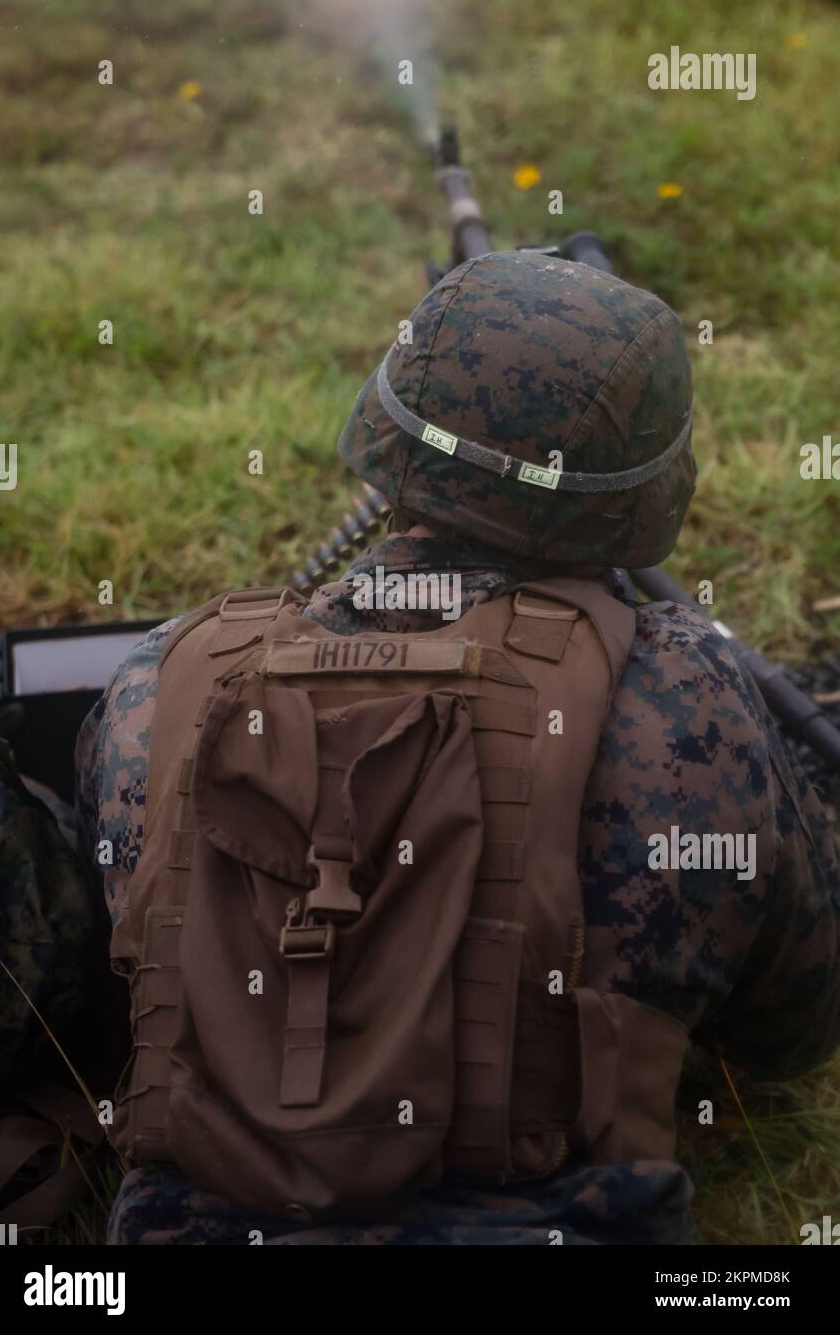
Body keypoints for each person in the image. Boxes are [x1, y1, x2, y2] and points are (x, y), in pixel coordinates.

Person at [76, 250, 840, 1245]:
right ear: (646, 490)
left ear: (381, 437)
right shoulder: (689, 704)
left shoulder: (161, 683)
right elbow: (795, 1024)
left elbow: (124, 979)